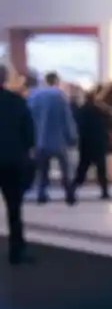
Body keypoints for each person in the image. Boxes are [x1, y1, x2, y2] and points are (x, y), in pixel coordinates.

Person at [0, 65, 36, 264]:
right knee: (14, 207)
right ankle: (17, 250)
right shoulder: (16, 102)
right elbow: (29, 134)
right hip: (12, 161)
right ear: (4, 78)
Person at [27, 72, 77, 204]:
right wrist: (72, 136)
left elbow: (29, 119)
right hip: (58, 140)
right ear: (55, 81)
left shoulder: (35, 97)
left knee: (42, 169)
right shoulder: (60, 96)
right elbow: (67, 118)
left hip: (40, 139)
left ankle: (41, 193)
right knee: (65, 168)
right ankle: (69, 193)